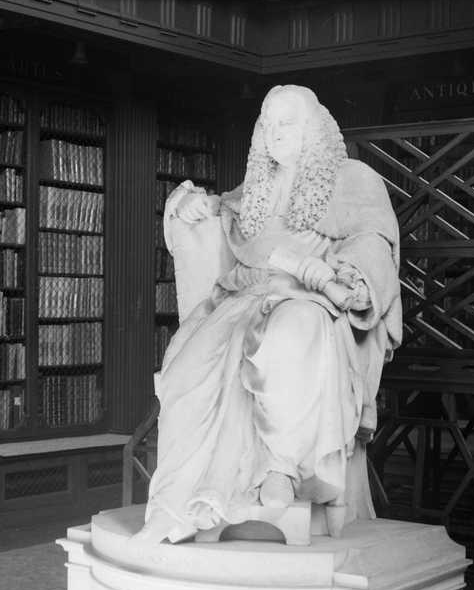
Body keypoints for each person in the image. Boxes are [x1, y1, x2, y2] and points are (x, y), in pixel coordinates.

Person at [131, 84, 401, 546]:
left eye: (286, 123)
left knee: (289, 339)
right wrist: (194, 206)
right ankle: (180, 500)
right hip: (243, 298)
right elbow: (222, 212)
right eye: (267, 123)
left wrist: (352, 277)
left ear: (313, 130)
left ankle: (282, 467)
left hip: (308, 300)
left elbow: (374, 238)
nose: (275, 133)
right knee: (184, 372)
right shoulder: (256, 188)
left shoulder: (351, 179)